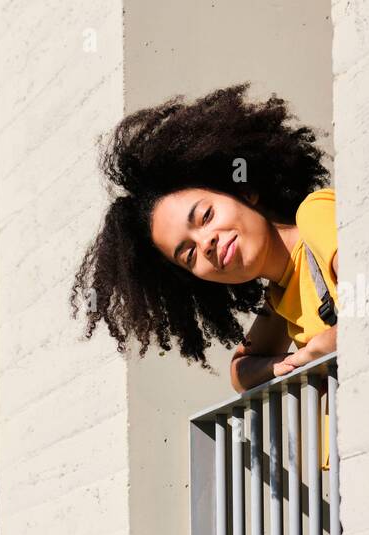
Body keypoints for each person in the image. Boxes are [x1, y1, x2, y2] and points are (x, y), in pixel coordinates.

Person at [70, 84, 338, 394]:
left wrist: (324, 346)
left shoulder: (314, 215)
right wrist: (284, 365)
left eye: (205, 216)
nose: (206, 243)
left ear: (244, 192)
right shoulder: (280, 295)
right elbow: (240, 372)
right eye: (188, 255)